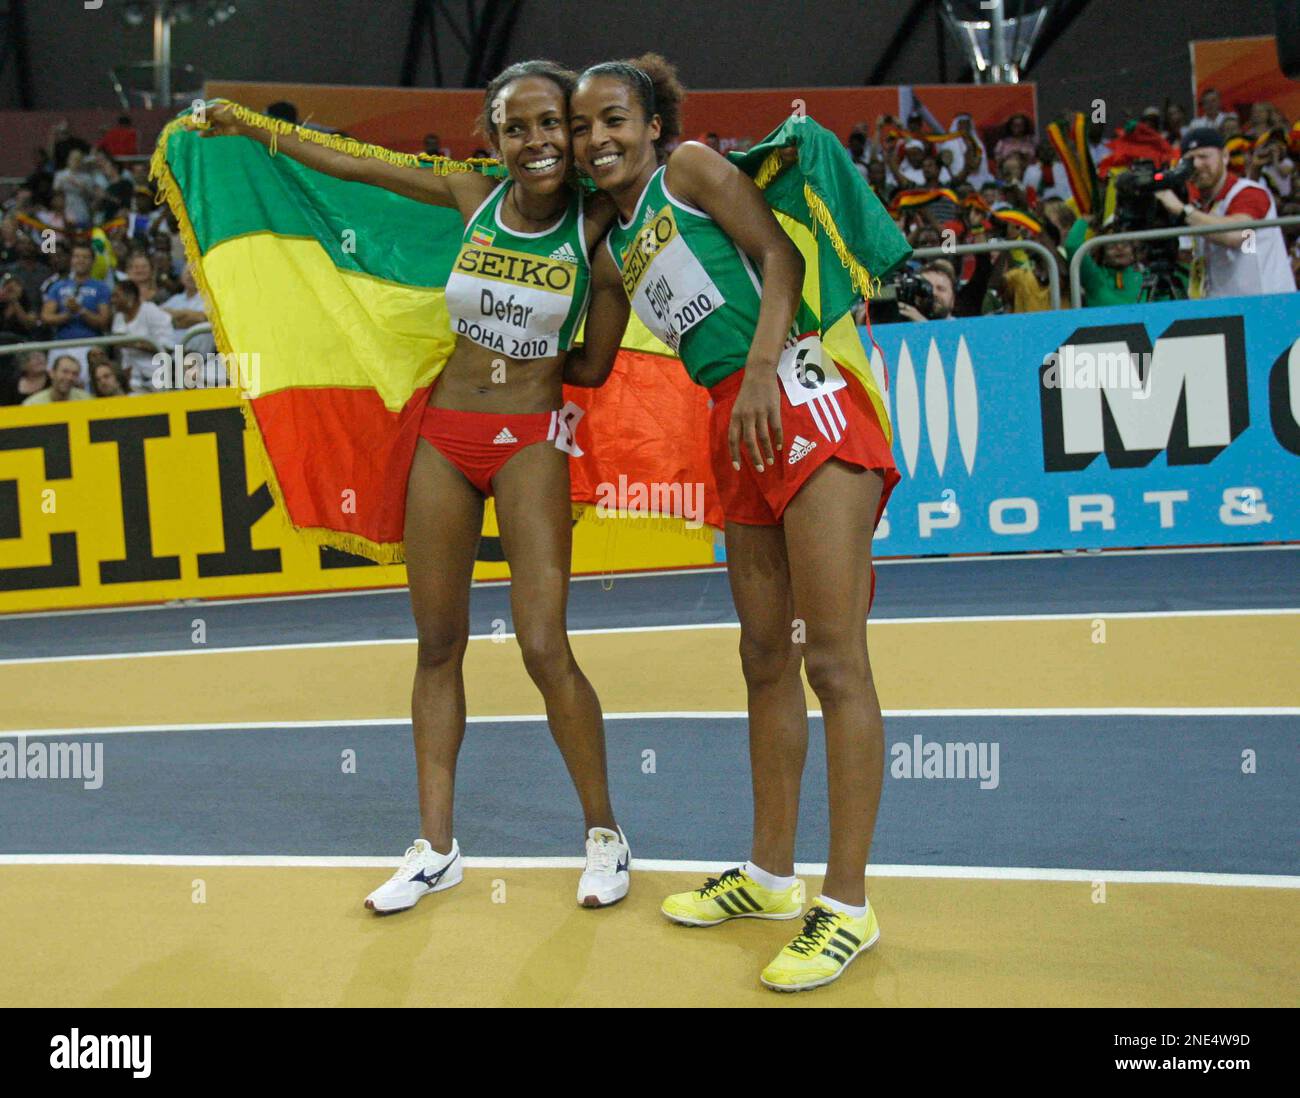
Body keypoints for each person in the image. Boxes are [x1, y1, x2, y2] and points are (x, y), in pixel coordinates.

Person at [200, 60, 634, 914]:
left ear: (575, 134)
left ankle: (605, 837)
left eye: (552, 124)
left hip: (528, 444)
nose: (537, 141)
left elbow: (593, 364)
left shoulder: (597, 234)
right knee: (438, 646)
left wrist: (533, 375)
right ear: (494, 138)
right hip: (445, 436)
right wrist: (249, 125)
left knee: (544, 647)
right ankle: (436, 848)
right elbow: (353, 163)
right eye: (517, 127)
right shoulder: (471, 196)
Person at [569, 54, 900, 992]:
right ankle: (770, 878)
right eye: (583, 126)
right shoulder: (613, 245)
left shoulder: (691, 171)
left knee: (834, 660)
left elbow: (781, 259)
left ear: (652, 123)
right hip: (734, 426)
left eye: (613, 120)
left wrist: (758, 371)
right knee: (764, 657)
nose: (598, 139)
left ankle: (847, 906)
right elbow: (588, 367)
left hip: (794, 395)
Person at [1157, 128, 1296, 298]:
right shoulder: (1199, 206)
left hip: (1267, 308)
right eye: (1189, 159)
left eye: (1204, 156)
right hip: (1225, 311)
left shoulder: (1249, 192)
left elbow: (1236, 235)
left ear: (1225, 156)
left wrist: (1181, 210)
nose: (1197, 165)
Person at [22, 354, 91, 404]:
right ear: (52, 373)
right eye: (65, 372)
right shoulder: (33, 404)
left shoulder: (87, 401)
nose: (69, 377)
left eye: (74, 374)